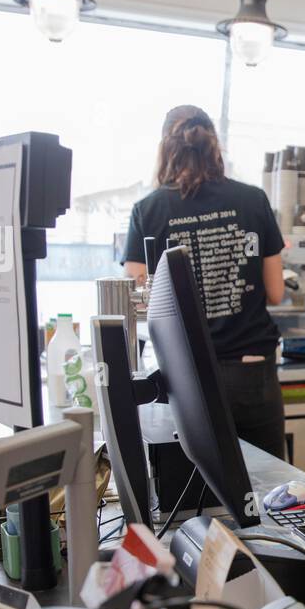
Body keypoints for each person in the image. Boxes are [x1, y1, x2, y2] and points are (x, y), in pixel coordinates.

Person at [122, 105, 287, 459]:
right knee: (270, 489)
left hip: (185, 375)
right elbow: (276, 291)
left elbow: (139, 303)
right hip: (251, 371)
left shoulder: (147, 211)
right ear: (215, 146)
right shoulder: (253, 200)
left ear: (165, 148)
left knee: (193, 492)